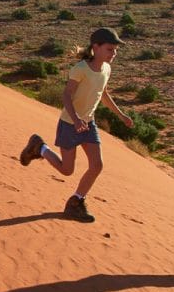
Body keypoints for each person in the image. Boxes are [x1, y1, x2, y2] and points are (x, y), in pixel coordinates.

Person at [18, 27, 135, 222]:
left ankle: (76, 202)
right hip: (69, 124)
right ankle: (40, 147)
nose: (113, 53)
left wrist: (121, 115)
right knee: (66, 170)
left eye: (115, 50)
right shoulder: (81, 69)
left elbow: (103, 95)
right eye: (109, 49)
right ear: (95, 47)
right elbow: (66, 95)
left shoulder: (106, 68)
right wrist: (76, 119)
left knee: (97, 165)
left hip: (88, 124)